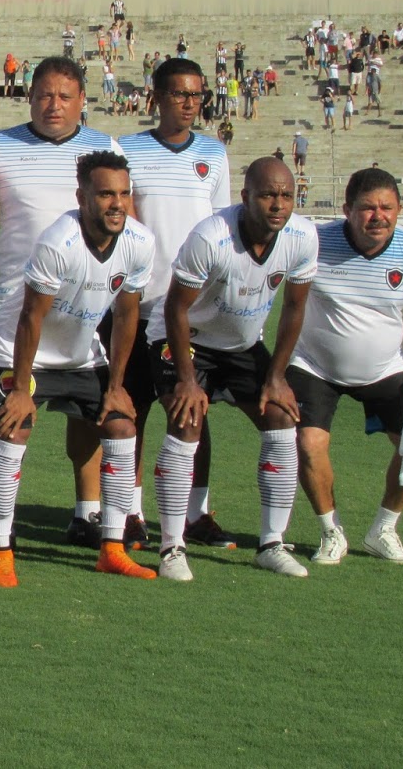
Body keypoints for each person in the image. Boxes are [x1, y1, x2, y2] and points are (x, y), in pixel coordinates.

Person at [0, 151, 157, 586]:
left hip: (81, 355)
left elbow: (126, 316)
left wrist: (116, 385)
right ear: (81, 196)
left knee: (121, 426)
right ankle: (0, 549)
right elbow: (30, 318)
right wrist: (21, 389)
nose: (117, 203)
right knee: (14, 427)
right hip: (19, 351)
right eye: (104, 194)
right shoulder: (58, 242)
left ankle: (112, 548)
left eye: (123, 193)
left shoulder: (139, 242)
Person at [150, 158, 318, 581]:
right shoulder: (212, 236)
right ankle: (172, 547)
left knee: (282, 418)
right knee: (187, 421)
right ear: (245, 197)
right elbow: (175, 308)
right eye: (267, 195)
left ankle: (271, 543)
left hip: (241, 345)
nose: (277, 205)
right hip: (185, 340)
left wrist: (277, 376)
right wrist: (187, 379)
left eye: (286, 196)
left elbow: (295, 307)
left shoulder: (301, 236)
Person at [0, 57, 126, 549]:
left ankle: (87, 513)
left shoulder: (103, 147)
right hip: (17, 305)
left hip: (88, 308)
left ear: (83, 101)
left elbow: (122, 218)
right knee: (11, 415)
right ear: (29, 96)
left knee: (87, 414)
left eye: (65, 96)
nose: (54, 105)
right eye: (45, 95)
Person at [291, 167, 403, 565]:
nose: (378, 216)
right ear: (347, 210)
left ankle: (384, 529)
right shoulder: (314, 241)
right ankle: (331, 531)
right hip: (314, 364)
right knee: (310, 444)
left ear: (399, 209)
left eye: (387, 207)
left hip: (385, 367)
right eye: (367, 208)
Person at [118, 58, 232, 548]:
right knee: (134, 411)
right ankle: (132, 512)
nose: (189, 104)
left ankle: (195, 512)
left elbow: (224, 225)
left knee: (192, 412)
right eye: (180, 94)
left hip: (192, 312)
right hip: (140, 304)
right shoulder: (128, 149)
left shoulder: (214, 152)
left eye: (197, 95)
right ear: (157, 97)